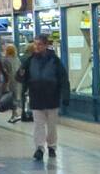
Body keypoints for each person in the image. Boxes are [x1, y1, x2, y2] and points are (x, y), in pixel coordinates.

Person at [17, 34, 70, 162]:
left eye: (40, 44)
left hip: (52, 97)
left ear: (46, 45)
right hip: (36, 96)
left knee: (51, 125)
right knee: (38, 125)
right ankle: (39, 148)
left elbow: (63, 78)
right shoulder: (30, 60)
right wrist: (20, 74)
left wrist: (65, 95)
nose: (37, 47)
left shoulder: (54, 60)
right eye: (35, 44)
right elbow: (19, 77)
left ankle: (52, 146)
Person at [0, 43, 22, 121]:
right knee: (15, 97)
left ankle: (14, 113)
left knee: (10, 97)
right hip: (17, 81)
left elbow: (4, 71)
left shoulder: (5, 60)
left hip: (9, 81)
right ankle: (15, 113)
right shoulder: (17, 59)